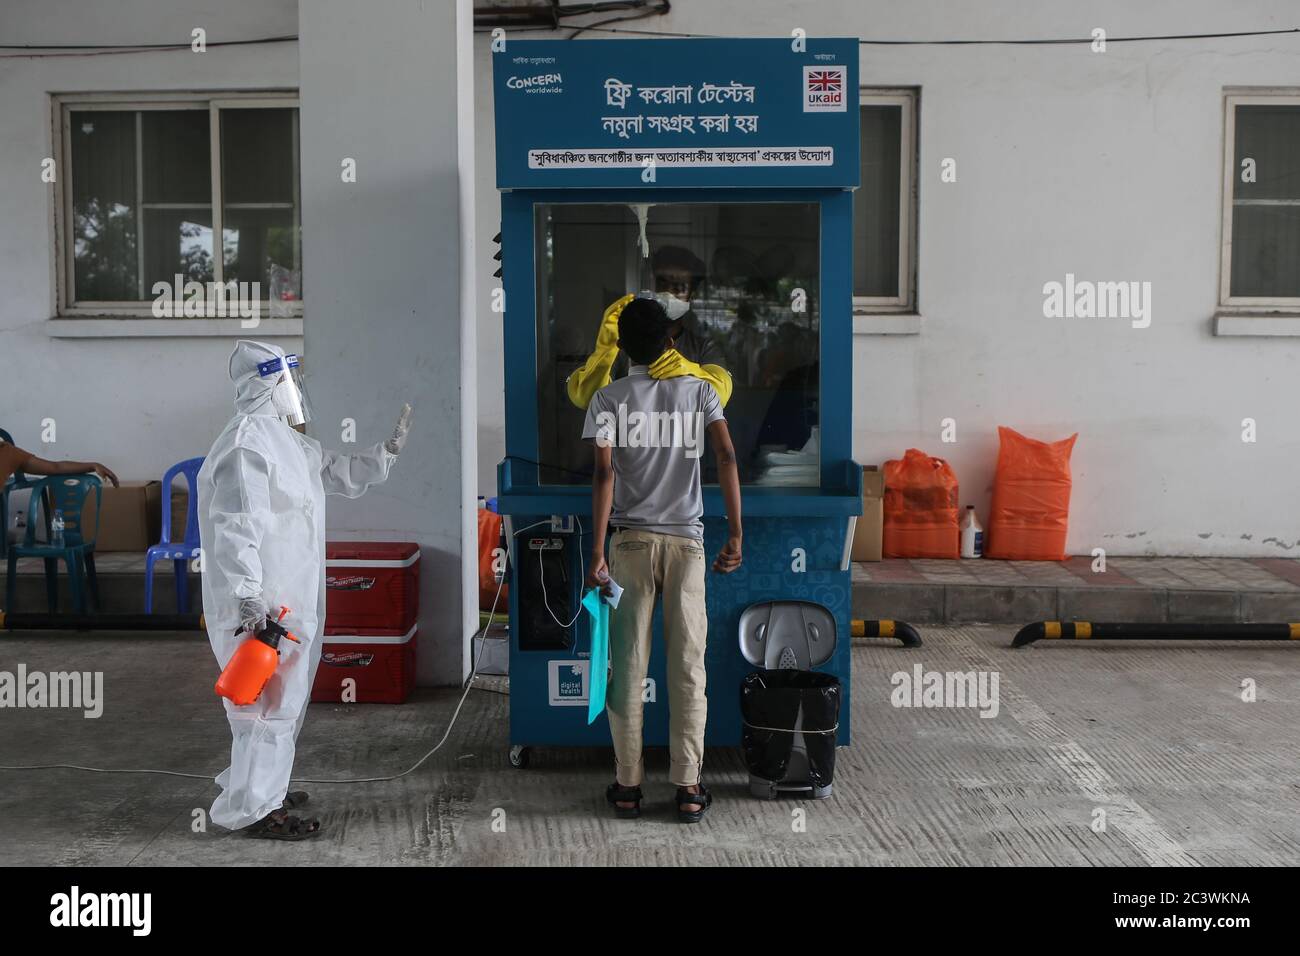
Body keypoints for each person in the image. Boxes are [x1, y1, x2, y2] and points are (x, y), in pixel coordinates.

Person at [198, 340, 412, 840]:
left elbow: (332, 471)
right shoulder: (246, 445)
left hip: (289, 595)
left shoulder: (285, 442)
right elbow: (235, 524)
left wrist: (386, 454)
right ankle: (255, 809)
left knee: (278, 702)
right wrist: (250, 598)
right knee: (265, 706)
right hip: (261, 603)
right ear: (266, 386)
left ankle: (256, 784)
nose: (293, 395)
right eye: (286, 384)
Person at [582, 297, 743, 824]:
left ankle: (627, 787)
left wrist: (596, 552)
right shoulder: (700, 392)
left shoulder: (606, 399)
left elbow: (604, 475)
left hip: (629, 546)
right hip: (687, 548)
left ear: (622, 347)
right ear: (670, 342)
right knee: (687, 666)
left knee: (627, 666)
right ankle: (689, 787)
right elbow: (726, 457)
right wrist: (736, 534)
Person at [566, 246, 733, 409]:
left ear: (692, 295)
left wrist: (690, 371)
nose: (667, 292)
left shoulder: (704, 348)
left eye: (678, 288)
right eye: (661, 282)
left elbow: (720, 396)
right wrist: (606, 349)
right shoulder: (624, 344)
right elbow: (587, 399)